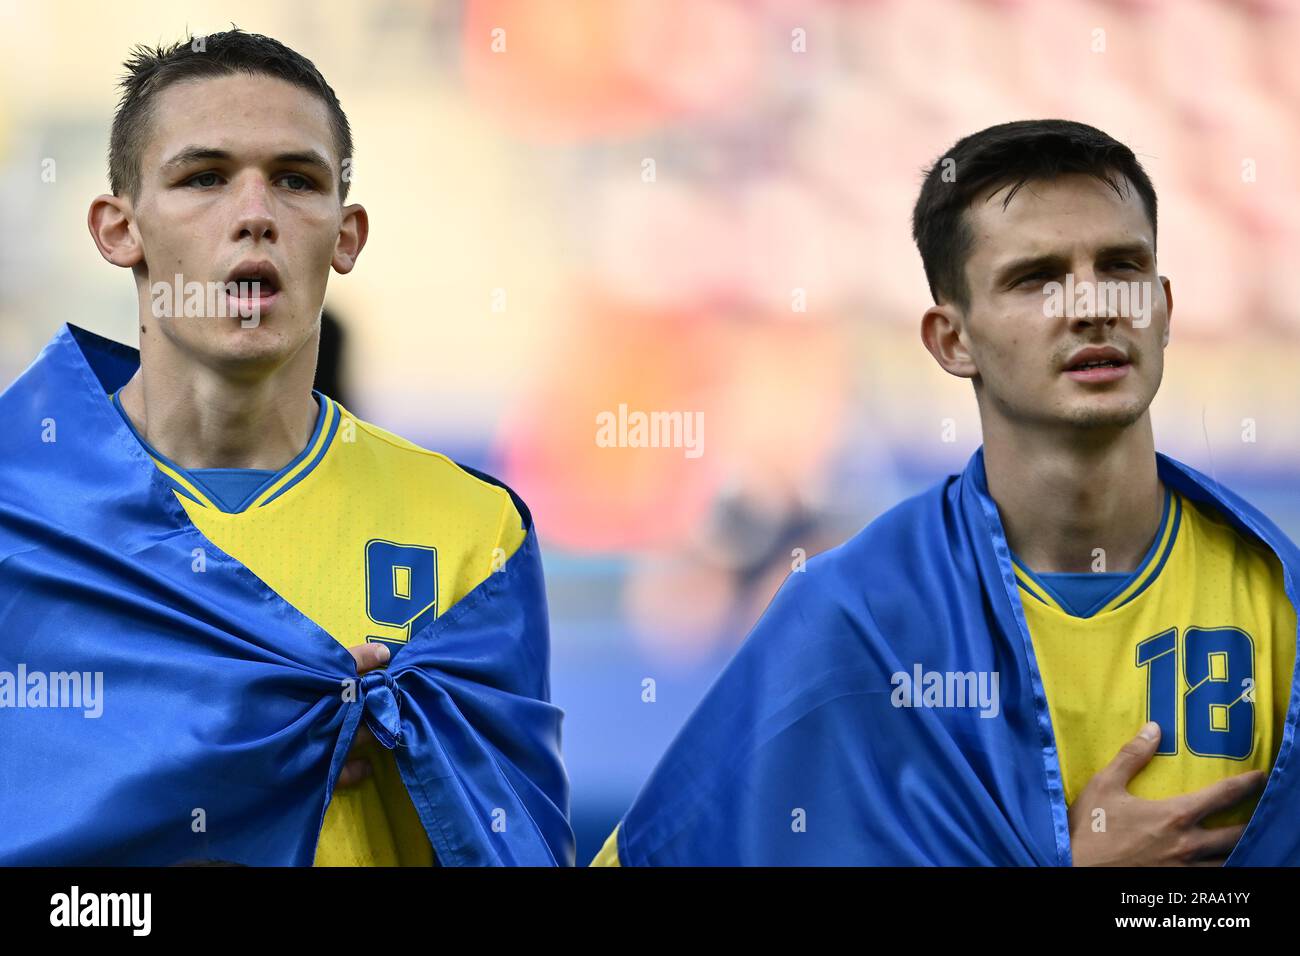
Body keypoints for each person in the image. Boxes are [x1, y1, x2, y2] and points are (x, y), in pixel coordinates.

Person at [594, 119, 1300, 866]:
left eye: (1121, 268)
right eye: (1038, 278)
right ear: (950, 340)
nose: (1093, 306)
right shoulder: (854, 616)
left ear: (1161, 308)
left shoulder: (1279, 604)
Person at [0, 28, 572, 867]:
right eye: (204, 178)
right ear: (120, 229)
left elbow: (518, 840)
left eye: (297, 181)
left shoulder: (474, 531)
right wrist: (241, 732)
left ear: (345, 235)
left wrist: (415, 754)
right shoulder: (19, 503)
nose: (255, 215)